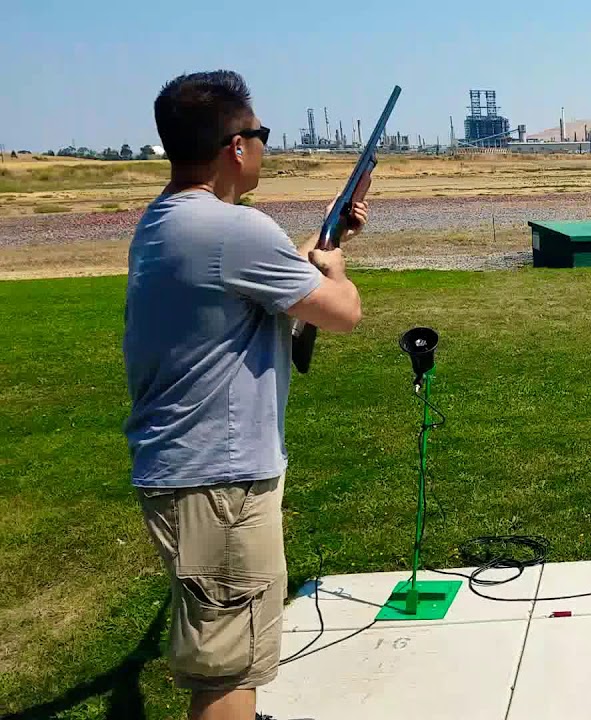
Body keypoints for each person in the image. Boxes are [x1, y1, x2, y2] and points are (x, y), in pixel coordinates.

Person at [123, 70, 365, 720]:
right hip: (220, 486)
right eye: (260, 134)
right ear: (236, 146)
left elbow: (260, 286)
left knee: (227, 653)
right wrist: (336, 268)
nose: (264, 146)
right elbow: (342, 311)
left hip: (191, 476)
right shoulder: (235, 231)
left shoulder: (169, 221)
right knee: (229, 672)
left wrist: (328, 241)